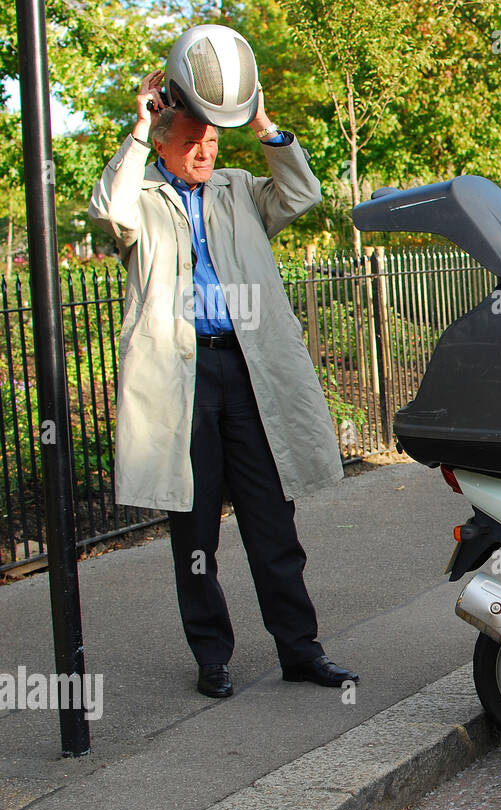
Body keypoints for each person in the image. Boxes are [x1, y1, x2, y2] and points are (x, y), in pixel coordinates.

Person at [88, 70, 356, 698]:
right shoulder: (143, 198)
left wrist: (263, 125)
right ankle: (212, 657)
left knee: (272, 519)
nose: (204, 151)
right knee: (194, 523)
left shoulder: (239, 189)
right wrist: (138, 122)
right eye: (190, 141)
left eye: (211, 140)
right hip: (184, 378)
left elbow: (303, 194)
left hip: (248, 369)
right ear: (162, 142)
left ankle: (301, 650)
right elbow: (107, 210)